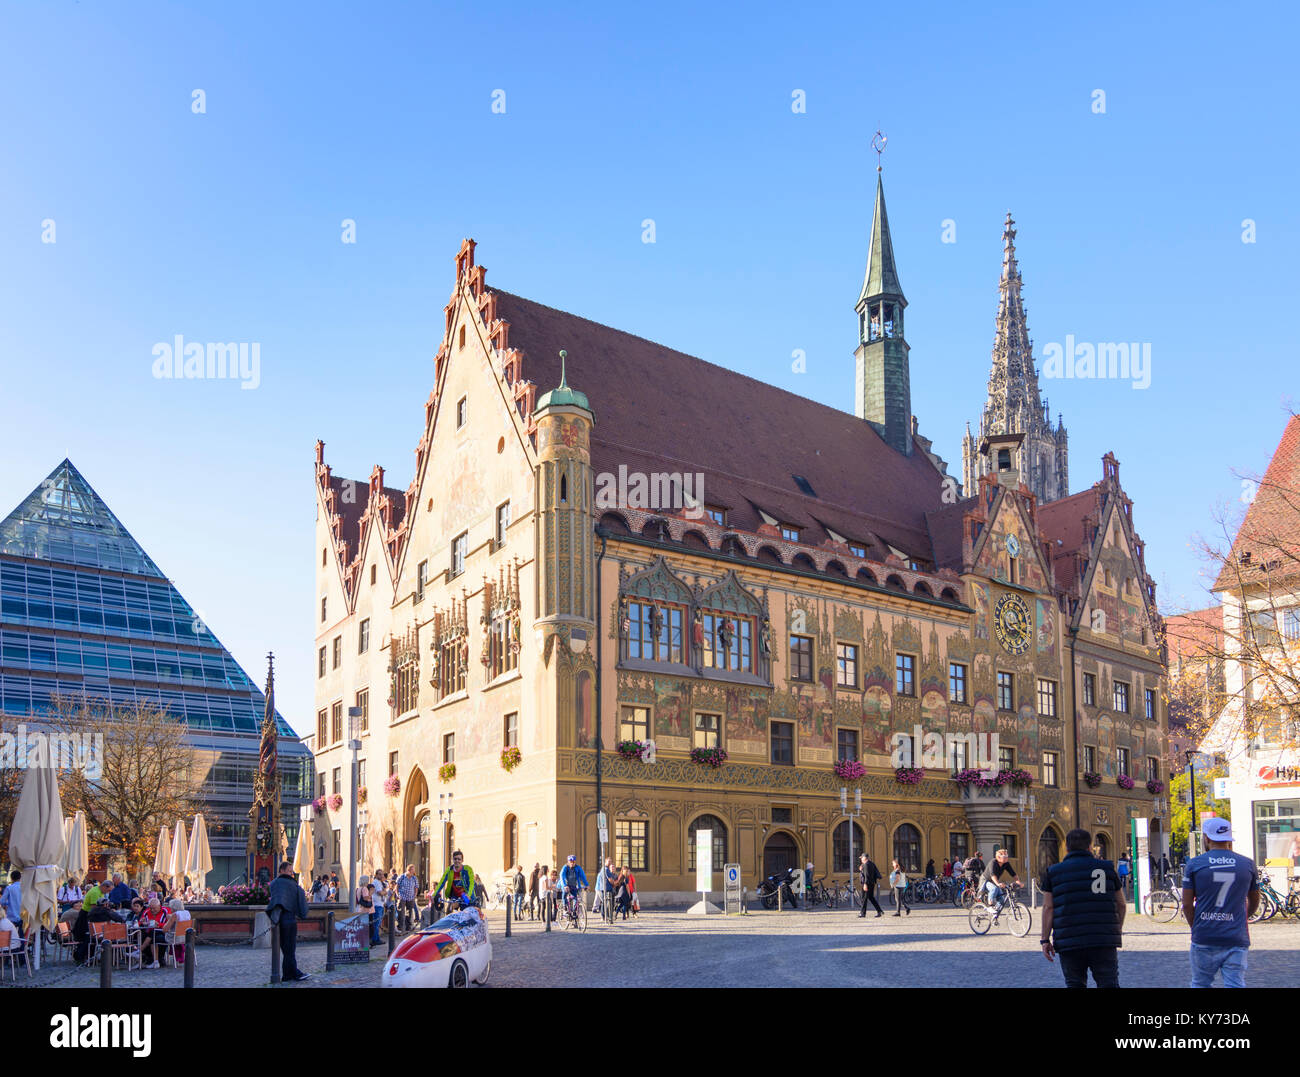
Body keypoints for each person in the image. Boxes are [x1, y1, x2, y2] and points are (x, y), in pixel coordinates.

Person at [1039, 828, 1125, 988]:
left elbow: (1048, 907)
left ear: (1066, 848)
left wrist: (1045, 939)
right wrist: (1116, 929)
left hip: (1069, 939)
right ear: (1090, 847)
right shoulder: (1106, 868)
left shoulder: (1053, 872)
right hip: (1103, 939)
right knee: (1109, 983)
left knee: (1074, 984)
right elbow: (1121, 904)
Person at [1182, 817, 1259, 988]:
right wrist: (1243, 917)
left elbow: (1186, 904)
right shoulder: (1247, 864)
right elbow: (1255, 900)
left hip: (1205, 935)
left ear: (1206, 838)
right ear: (1229, 839)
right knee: (1235, 984)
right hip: (1235, 936)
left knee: (1200, 984)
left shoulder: (1195, 864)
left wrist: (1196, 927)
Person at [266, 860, 310, 982]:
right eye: (289, 871)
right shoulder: (292, 884)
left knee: (286, 950)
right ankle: (295, 973)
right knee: (290, 950)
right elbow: (301, 898)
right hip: (290, 920)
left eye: (292, 871)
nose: (291, 873)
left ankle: (287, 975)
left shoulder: (274, 883)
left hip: (278, 921)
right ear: (282, 870)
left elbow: (275, 900)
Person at [981, 849, 1019, 916]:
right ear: (998, 857)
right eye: (1004, 856)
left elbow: (1013, 873)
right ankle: (990, 906)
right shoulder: (993, 862)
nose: (1007, 858)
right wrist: (998, 884)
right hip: (986, 880)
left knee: (1001, 900)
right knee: (994, 889)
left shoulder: (1006, 863)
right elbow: (992, 875)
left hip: (995, 881)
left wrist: (1018, 882)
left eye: (1007, 856)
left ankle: (995, 912)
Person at [138, 897, 168, 968]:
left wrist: (159, 924)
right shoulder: (146, 911)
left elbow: (169, 925)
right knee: (145, 935)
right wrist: (143, 923)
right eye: (151, 908)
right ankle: (152, 959)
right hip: (149, 932)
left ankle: (139, 951)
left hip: (163, 932)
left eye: (154, 908)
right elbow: (139, 922)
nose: (152, 910)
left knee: (153, 935)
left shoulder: (166, 911)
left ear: (159, 906)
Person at [558, 855, 589, 920]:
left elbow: (582, 876)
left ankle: (574, 912)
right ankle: (565, 908)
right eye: (571, 861)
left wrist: (586, 885)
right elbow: (562, 876)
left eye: (574, 861)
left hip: (574, 885)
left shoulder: (578, 868)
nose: (572, 863)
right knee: (564, 894)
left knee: (575, 898)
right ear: (568, 861)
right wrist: (564, 885)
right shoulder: (565, 867)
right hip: (565, 884)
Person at [858, 853, 883, 918]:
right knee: (871, 897)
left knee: (864, 898)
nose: (861, 860)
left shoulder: (866, 865)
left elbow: (867, 875)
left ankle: (862, 913)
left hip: (867, 884)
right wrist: (861, 870)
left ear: (864, 858)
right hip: (872, 883)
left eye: (861, 858)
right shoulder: (871, 864)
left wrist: (865, 884)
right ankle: (879, 910)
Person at [397, 865, 419, 931]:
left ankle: (408, 927)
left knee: (409, 912)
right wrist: (397, 894)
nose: (413, 871)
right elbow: (397, 886)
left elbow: (416, 887)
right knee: (401, 911)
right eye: (412, 870)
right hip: (402, 896)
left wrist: (415, 895)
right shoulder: (402, 877)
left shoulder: (414, 878)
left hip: (411, 897)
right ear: (408, 870)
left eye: (414, 870)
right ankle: (400, 926)